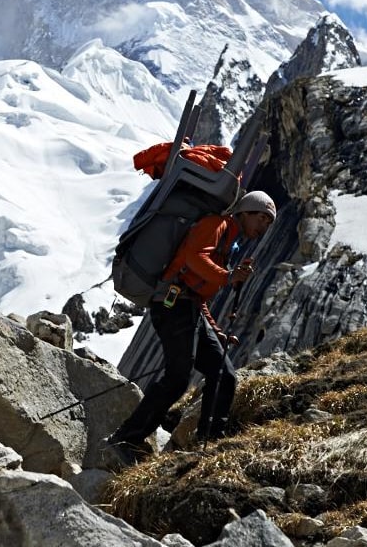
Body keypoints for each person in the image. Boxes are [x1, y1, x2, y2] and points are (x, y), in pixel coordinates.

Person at [108, 190, 277, 463]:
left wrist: (215, 330)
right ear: (245, 212)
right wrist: (229, 276)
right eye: (261, 218)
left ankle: (210, 443)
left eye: (268, 223)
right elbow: (194, 258)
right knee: (177, 378)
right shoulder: (216, 225)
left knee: (224, 375)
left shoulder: (229, 241)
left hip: (189, 309)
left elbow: (198, 293)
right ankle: (126, 438)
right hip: (172, 306)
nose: (263, 226)